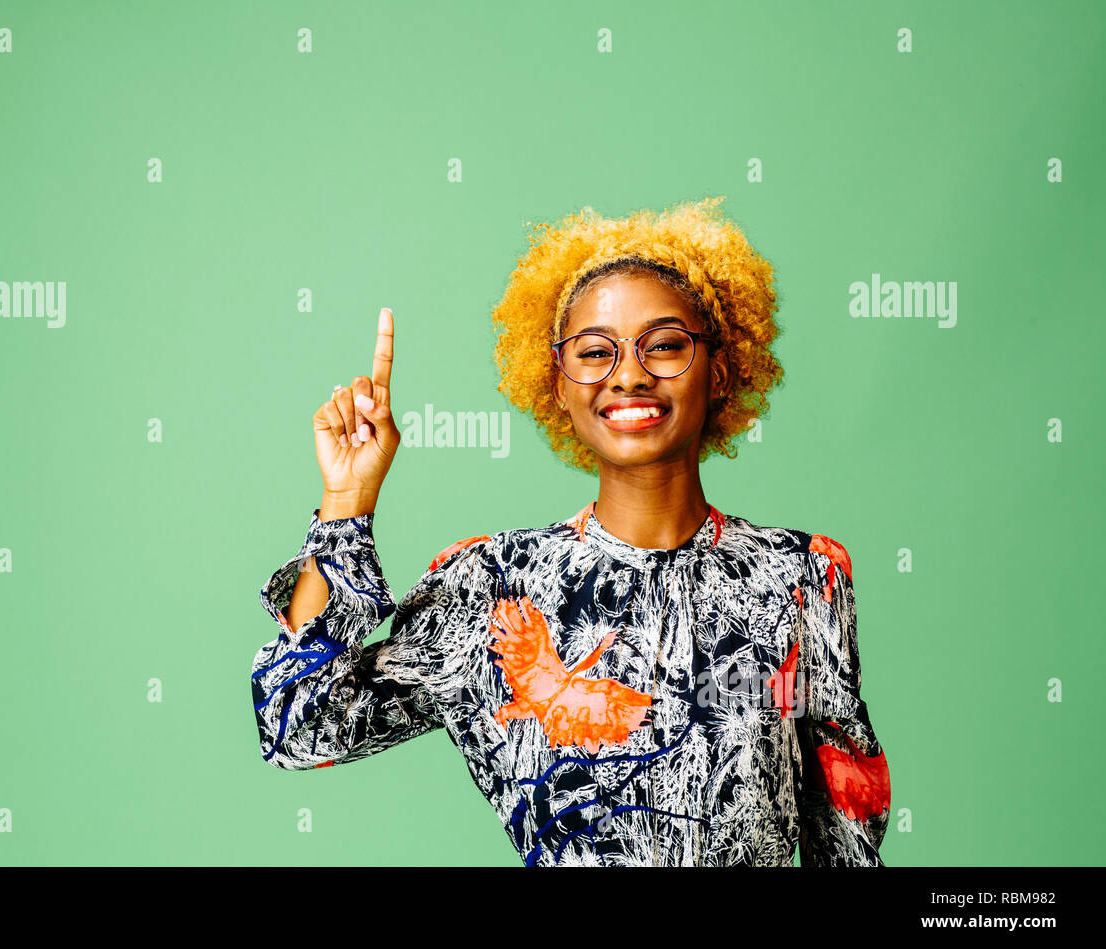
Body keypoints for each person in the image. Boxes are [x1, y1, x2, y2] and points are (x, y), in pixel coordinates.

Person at [250, 198, 891, 866]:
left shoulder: (803, 576)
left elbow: (844, 833)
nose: (630, 373)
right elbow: (295, 725)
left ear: (721, 368)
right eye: (595, 352)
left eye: (665, 345)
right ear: (558, 383)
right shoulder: (490, 585)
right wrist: (346, 503)